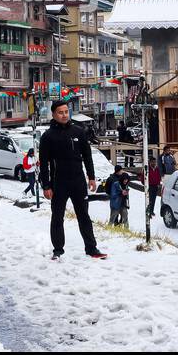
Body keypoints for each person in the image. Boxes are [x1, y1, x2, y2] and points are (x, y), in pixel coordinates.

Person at [39, 100, 106, 260]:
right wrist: (46, 185)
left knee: (84, 215)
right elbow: (44, 164)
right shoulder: (48, 137)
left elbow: (87, 156)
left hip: (78, 181)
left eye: (66, 112)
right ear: (54, 114)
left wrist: (91, 177)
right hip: (58, 182)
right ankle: (58, 250)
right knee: (57, 217)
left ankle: (91, 249)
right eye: (60, 112)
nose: (64, 115)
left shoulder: (79, 131)